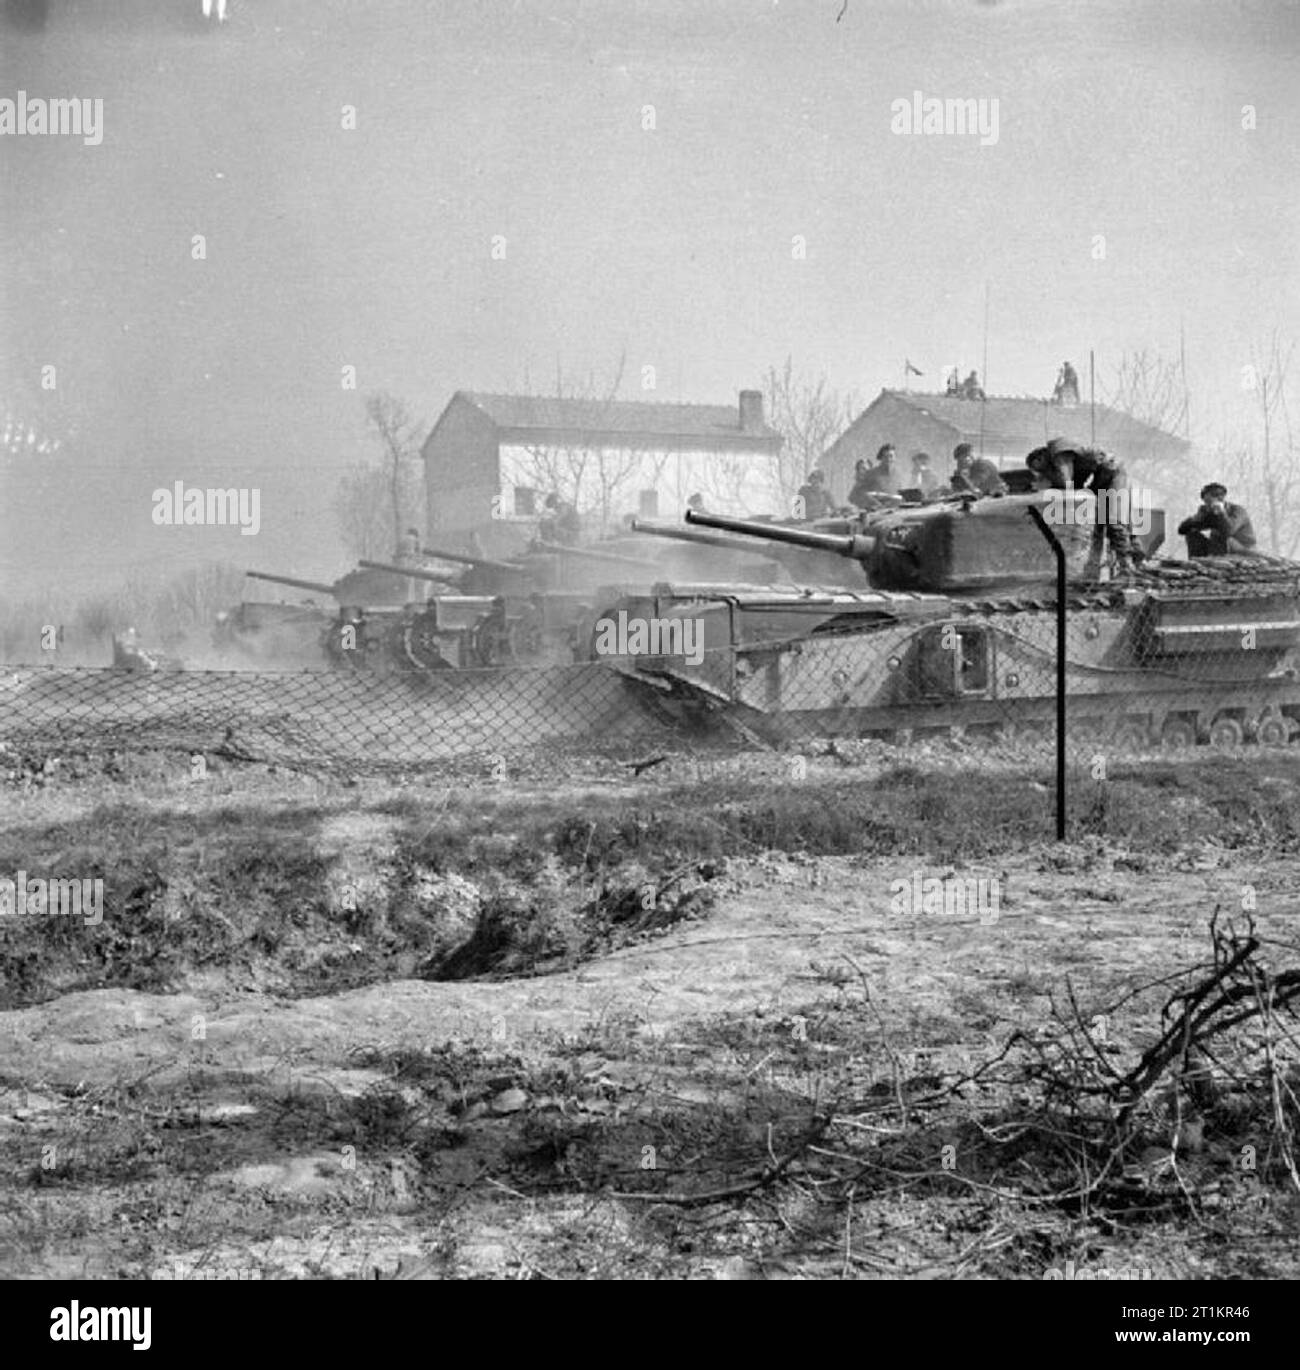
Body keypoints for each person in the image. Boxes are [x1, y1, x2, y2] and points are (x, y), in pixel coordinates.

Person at [1025, 437, 1135, 577]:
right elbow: (1072, 486)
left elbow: (1067, 484)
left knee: (1113, 519)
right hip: (1102, 475)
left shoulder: (1059, 452)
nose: (1043, 472)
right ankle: (1098, 566)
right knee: (1096, 519)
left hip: (1113, 471)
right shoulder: (1069, 462)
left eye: (1040, 468)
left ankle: (1127, 564)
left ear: (1041, 457)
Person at [1177, 484, 1257, 558]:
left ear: (1221, 499)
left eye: (1209, 503)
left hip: (1243, 549)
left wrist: (1221, 513)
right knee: (1193, 535)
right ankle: (1198, 564)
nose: (1208, 506)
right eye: (1206, 503)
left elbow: (1229, 530)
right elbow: (1182, 530)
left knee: (1223, 537)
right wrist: (1195, 520)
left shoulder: (1237, 511)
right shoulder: (1210, 512)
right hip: (1220, 549)